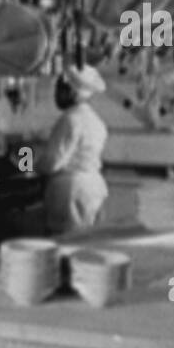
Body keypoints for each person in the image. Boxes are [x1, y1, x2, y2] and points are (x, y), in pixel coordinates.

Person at [40, 63, 110, 235]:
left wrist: (23, 157)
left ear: (70, 91)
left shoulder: (70, 119)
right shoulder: (97, 121)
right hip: (94, 188)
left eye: (58, 90)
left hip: (71, 193)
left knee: (65, 248)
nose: (55, 95)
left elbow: (51, 164)